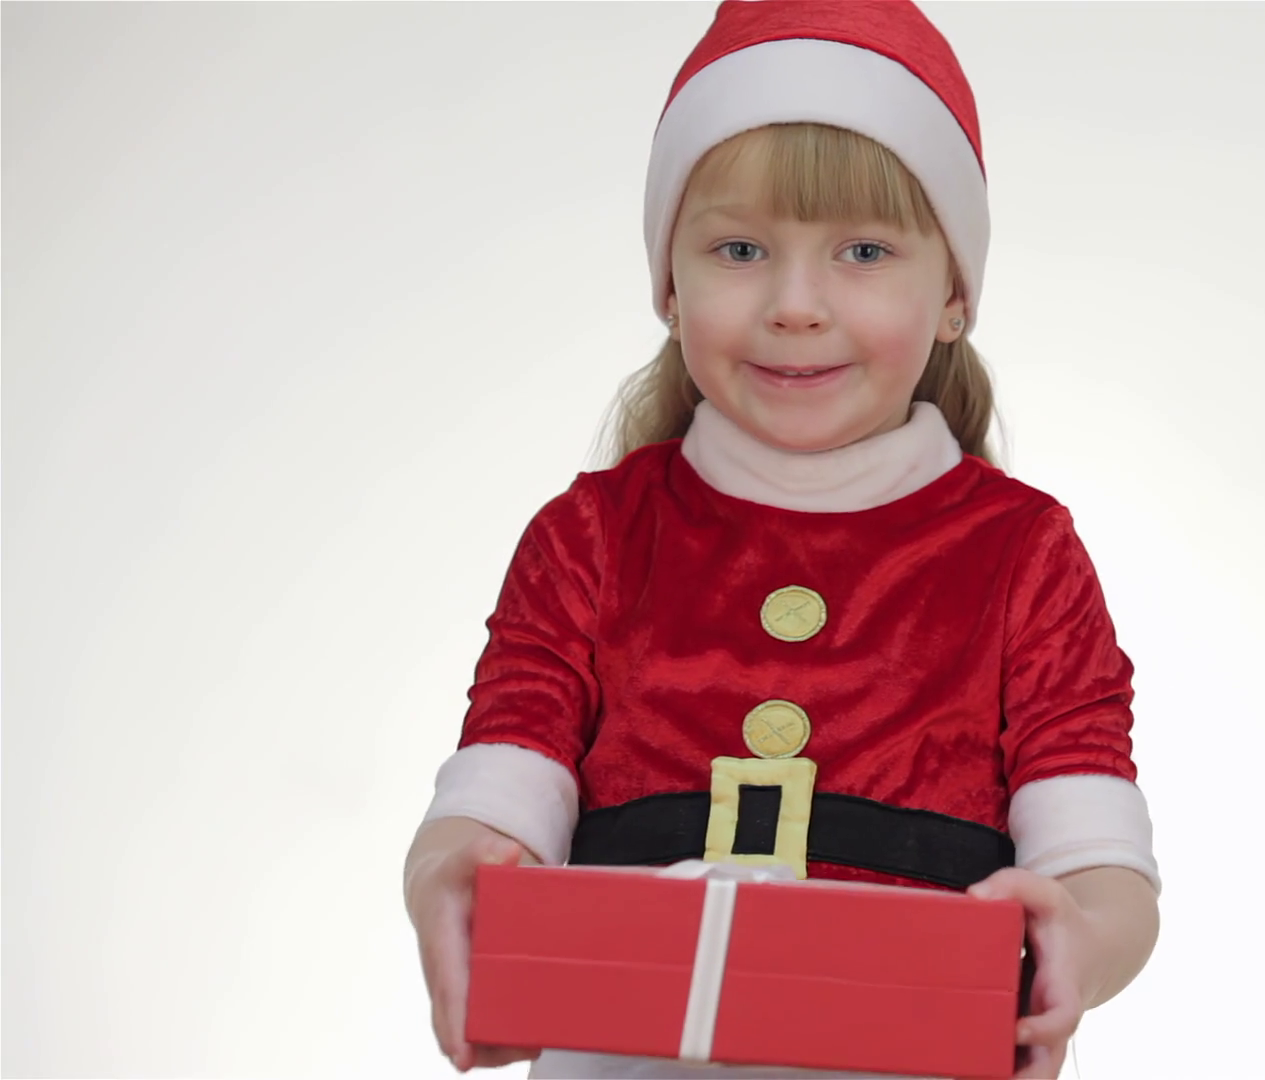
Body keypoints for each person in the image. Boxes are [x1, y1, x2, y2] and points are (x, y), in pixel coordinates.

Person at [401, 3, 1161, 1077]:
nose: (795, 305)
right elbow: (492, 803)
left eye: (862, 250)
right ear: (671, 284)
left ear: (952, 293)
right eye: (741, 248)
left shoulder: (1020, 553)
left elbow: (1101, 869)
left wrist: (1078, 938)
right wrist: (450, 875)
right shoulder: (592, 537)